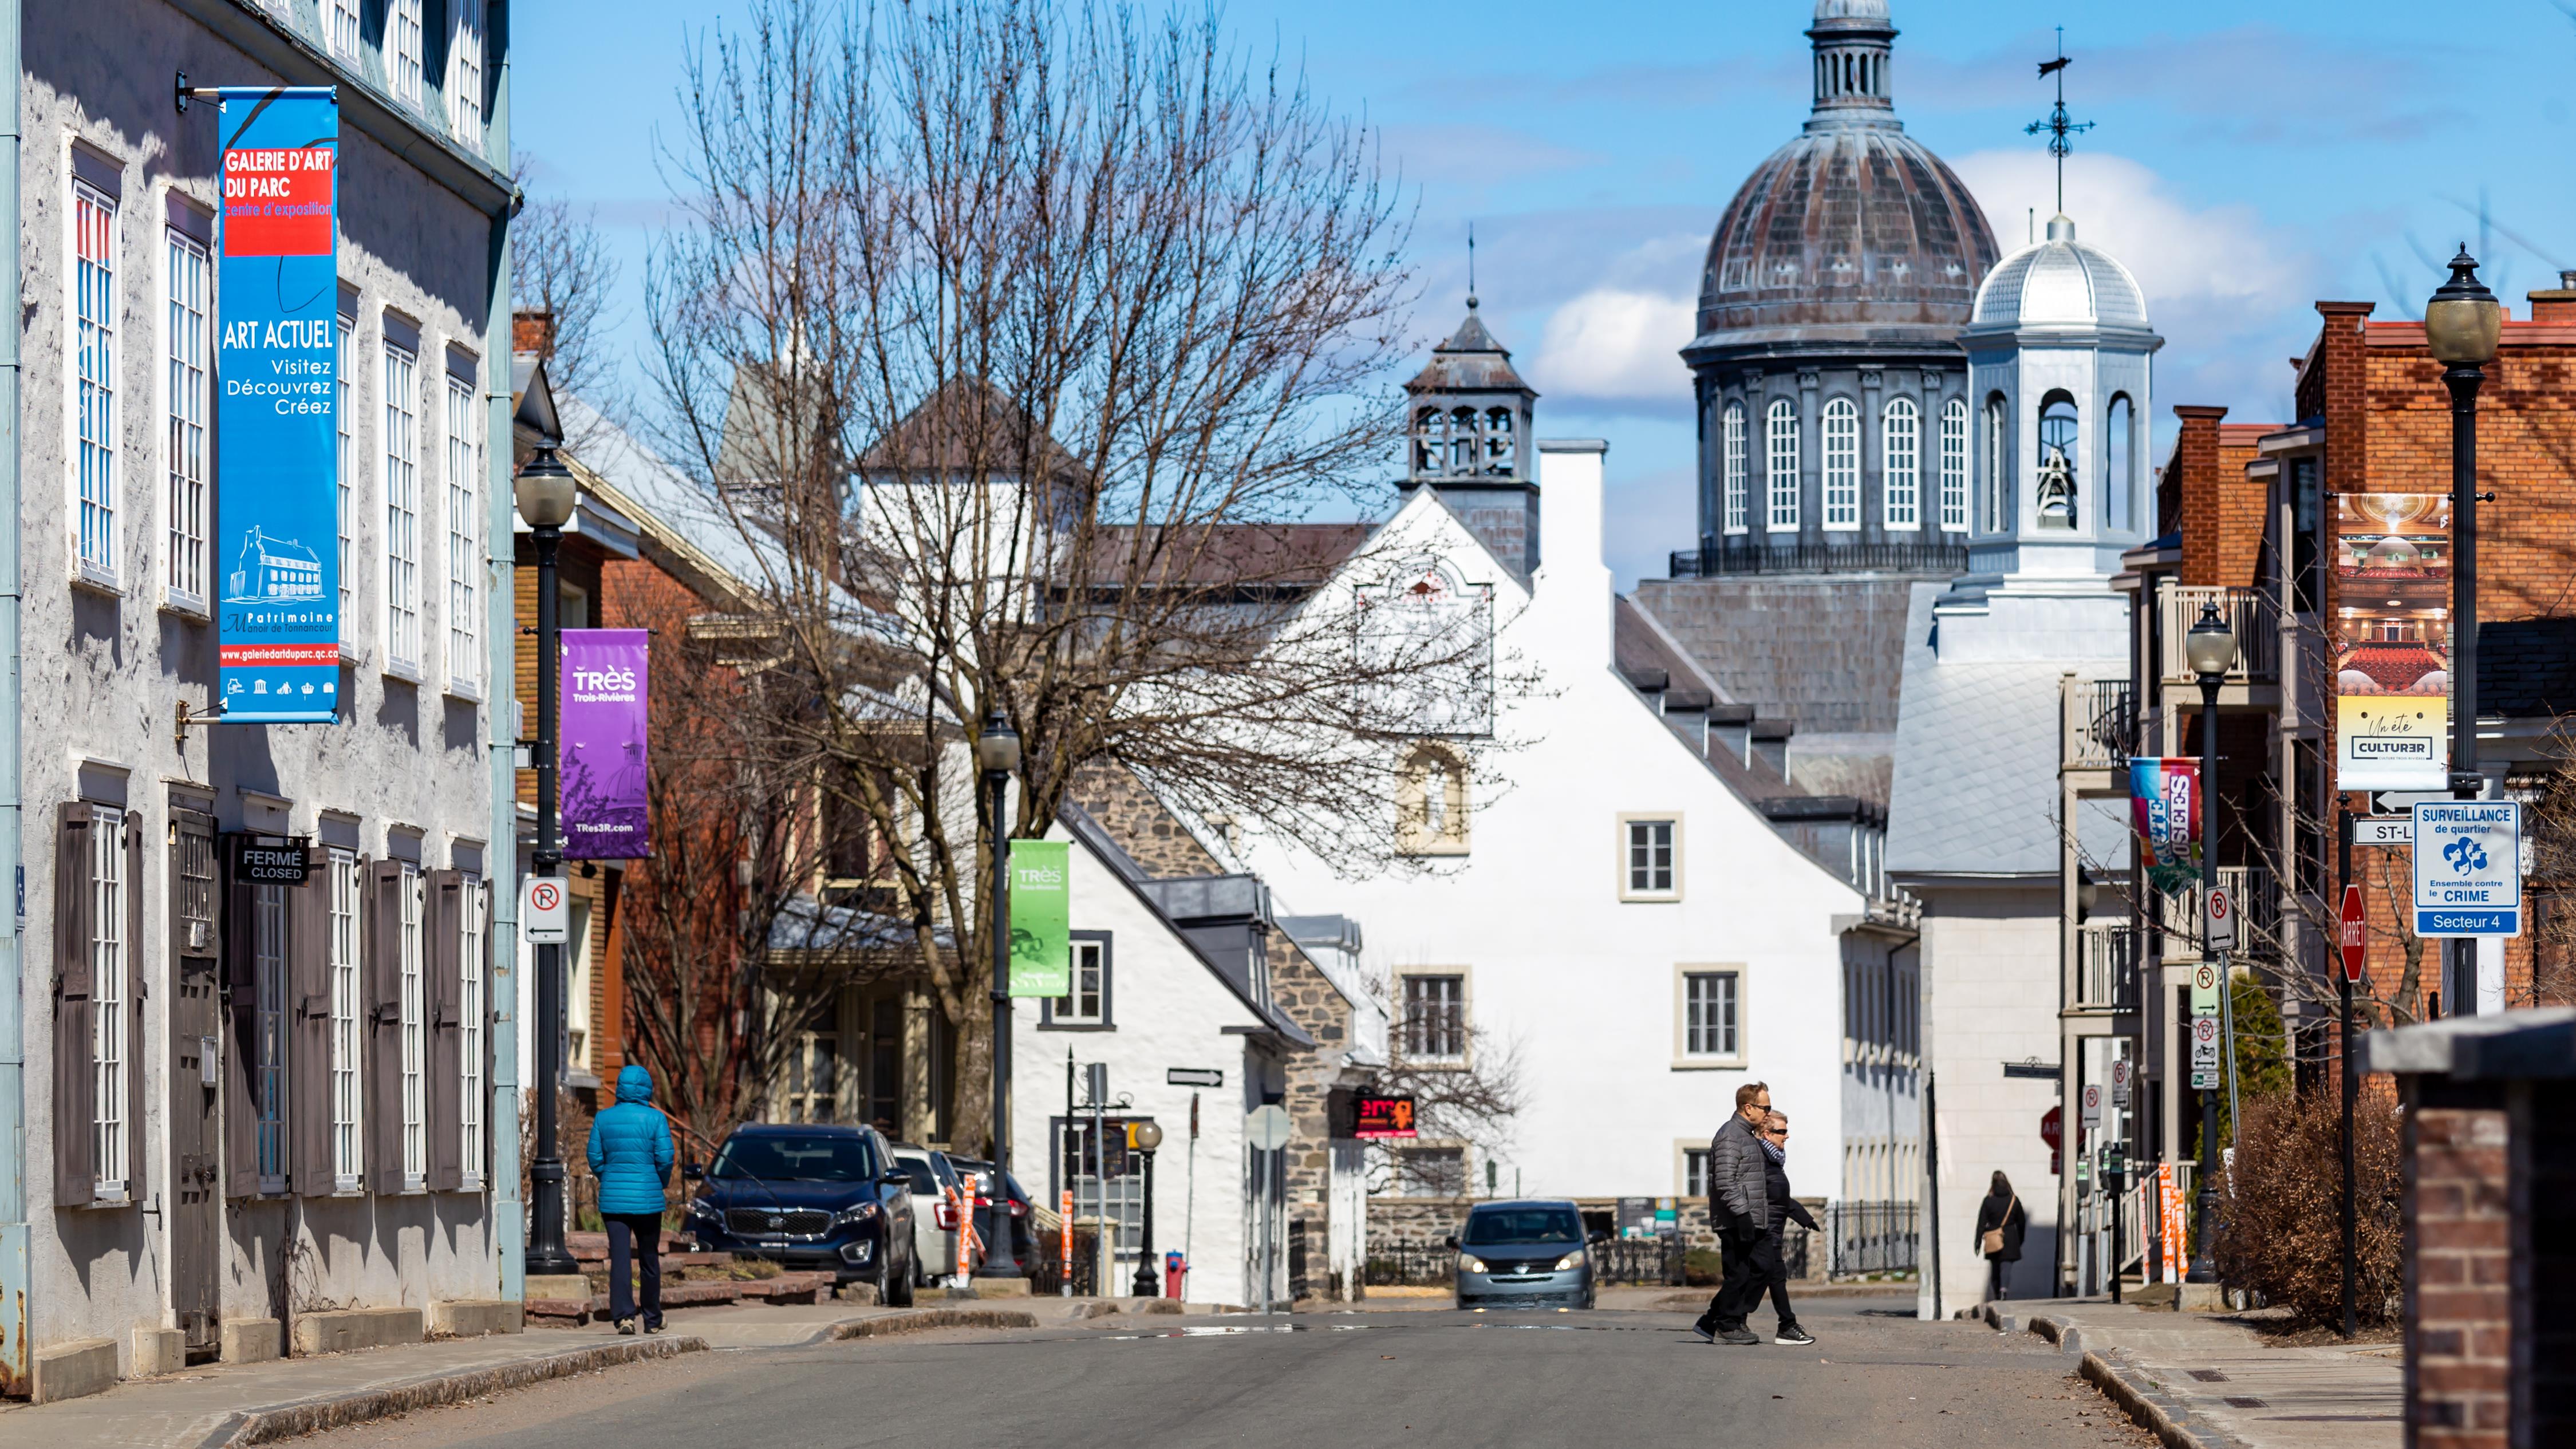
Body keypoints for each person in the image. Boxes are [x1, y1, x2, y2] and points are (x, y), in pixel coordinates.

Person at [587, 1064, 676, 1334]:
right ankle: (652, 1318)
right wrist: (658, 1182)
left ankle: (624, 1318)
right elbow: (665, 1158)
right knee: (650, 1259)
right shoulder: (656, 1119)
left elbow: (595, 1158)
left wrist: (610, 1177)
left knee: (620, 1259)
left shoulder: (603, 1118)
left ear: (620, 1088)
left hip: (614, 1201)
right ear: (647, 1088)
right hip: (648, 1200)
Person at [1693, 1080, 1773, 1345]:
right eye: (1765, 1108)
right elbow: (1725, 1181)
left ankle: (1715, 1319)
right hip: (1735, 1219)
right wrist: (1742, 1215)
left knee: (1761, 1269)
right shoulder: (1730, 1135)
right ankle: (1728, 1324)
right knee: (1739, 1273)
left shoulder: (1747, 1135)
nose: (1768, 1114)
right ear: (1748, 1108)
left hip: (1751, 1216)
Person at [1757, 1110, 1821, 1345]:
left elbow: (1781, 1199)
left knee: (1760, 1279)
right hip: (1763, 1232)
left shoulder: (1773, 1160)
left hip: (1771, 1231)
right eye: (1782, 1131)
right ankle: (1787, 1326)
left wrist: (1803, 1217)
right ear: (1767, 1133)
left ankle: (1721, 1321)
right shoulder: (1761, 1160)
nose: (1787, 1136)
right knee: (1770, 1278)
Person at [1974, 1170, 2026, 1302]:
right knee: (2006, 1266)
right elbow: (2022, 1221)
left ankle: (1997, 1292)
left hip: (1993, 1237)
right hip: (2010, 1237)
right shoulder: (2014, 1200)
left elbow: (1981, 1222)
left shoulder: (1988, 1200)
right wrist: (2020, 1238)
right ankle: (2003, 1290)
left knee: (1995, 1267)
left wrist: (1978, 1241)